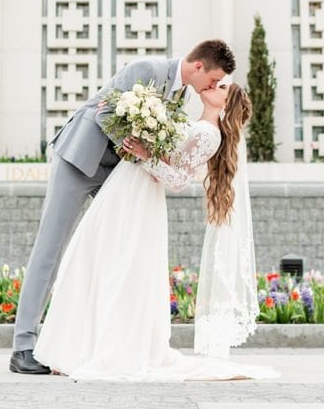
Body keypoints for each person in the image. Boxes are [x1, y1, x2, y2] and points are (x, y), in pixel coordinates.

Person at [9, 40, 234, 375]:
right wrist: (136, 146)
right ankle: (23, 346)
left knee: (111, 255)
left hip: (118, 176)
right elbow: (103, 112)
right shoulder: (147, 69)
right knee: (51, 250)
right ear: (198, 66)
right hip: (79, 160)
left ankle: (90, 345)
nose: (213, 87)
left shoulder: (181, 94)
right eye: (213, 79)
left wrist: (145, 155)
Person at [32, 81, 273, 380]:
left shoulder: (208, 135)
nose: (213, 84)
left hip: (141, 196)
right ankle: (78, 350)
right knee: (96, 256)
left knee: (120, 269)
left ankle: (102, 352)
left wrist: (146, 155)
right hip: (126, 185)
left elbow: (177, 180)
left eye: (222, 86)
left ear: (226, 104)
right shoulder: (194, 123)